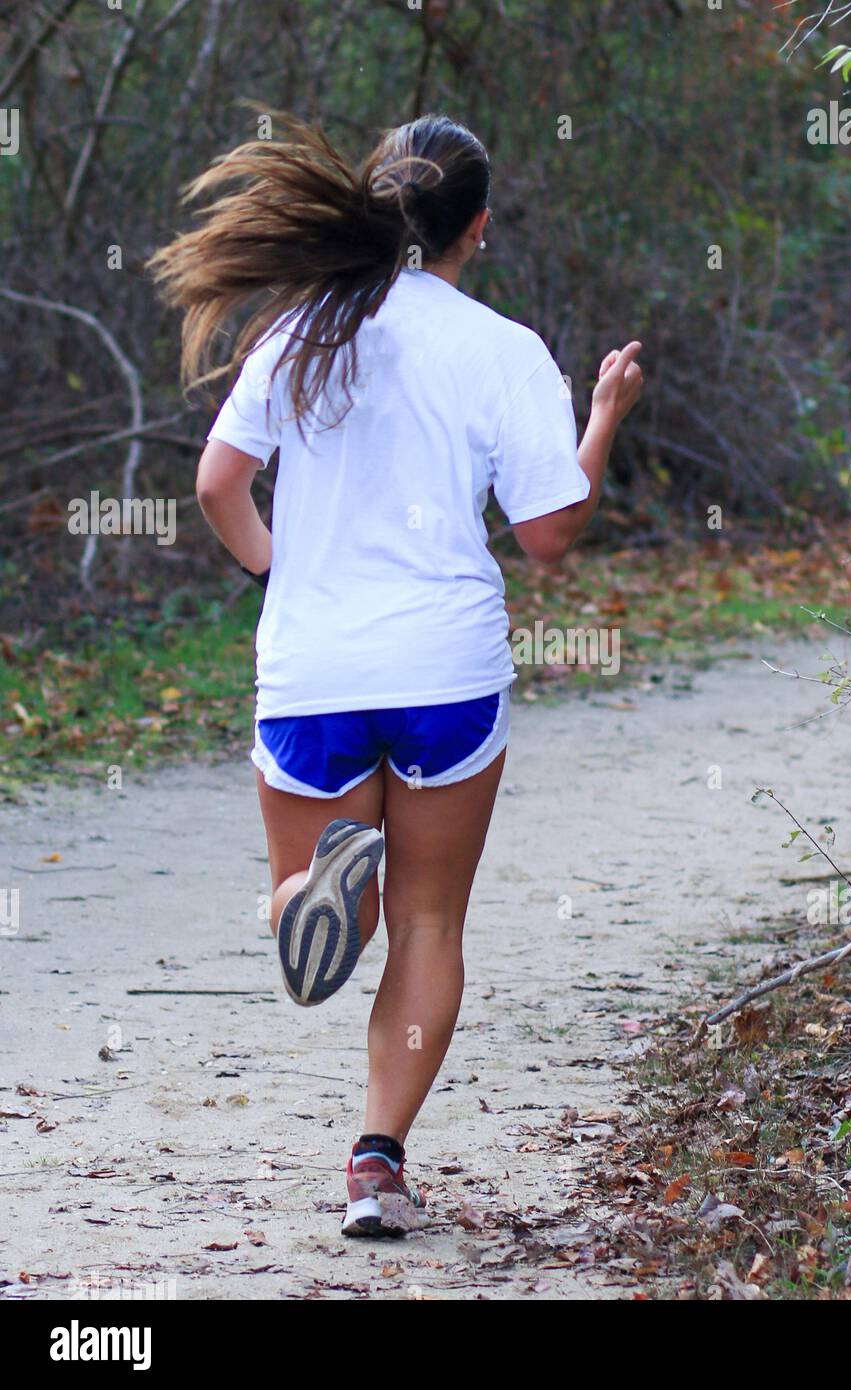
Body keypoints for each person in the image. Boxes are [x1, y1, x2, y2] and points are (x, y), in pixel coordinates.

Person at [149, 111, 643, 1236]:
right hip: (443, 667)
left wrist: (281, 572)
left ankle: (308, 903)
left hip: (316, 663)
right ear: (477, 226)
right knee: (425, 923)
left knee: (327, 920)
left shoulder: (299, 333)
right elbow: (549, 534)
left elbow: (221, 485)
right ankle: (376, 1162)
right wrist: (604, 417)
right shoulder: (503, 347)